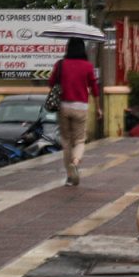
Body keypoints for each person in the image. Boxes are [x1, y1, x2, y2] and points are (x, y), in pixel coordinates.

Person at [48, 38, 101, 186]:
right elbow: (95, 89)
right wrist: (98, 108)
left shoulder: (60, 65)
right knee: (79, 140)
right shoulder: (87, 66)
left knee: (66, 142)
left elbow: (51, 83)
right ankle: (75, 162)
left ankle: (70, 177)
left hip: (64, 106)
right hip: (81, 107)